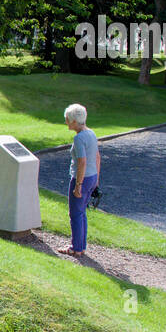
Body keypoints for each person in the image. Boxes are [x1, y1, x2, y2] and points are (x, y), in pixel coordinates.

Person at [62, 103, 100, 256]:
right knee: (82, 212)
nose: (66, 122)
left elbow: (82, 162)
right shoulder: (91, 133)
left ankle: (76, 248)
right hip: (92, 177)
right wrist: (96, 178)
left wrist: (78, 184)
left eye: (67, 119)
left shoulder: (79, 138)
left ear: (73, 121)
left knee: (75, 213)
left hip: (82, 178)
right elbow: (97, 157)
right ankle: (80, 245)